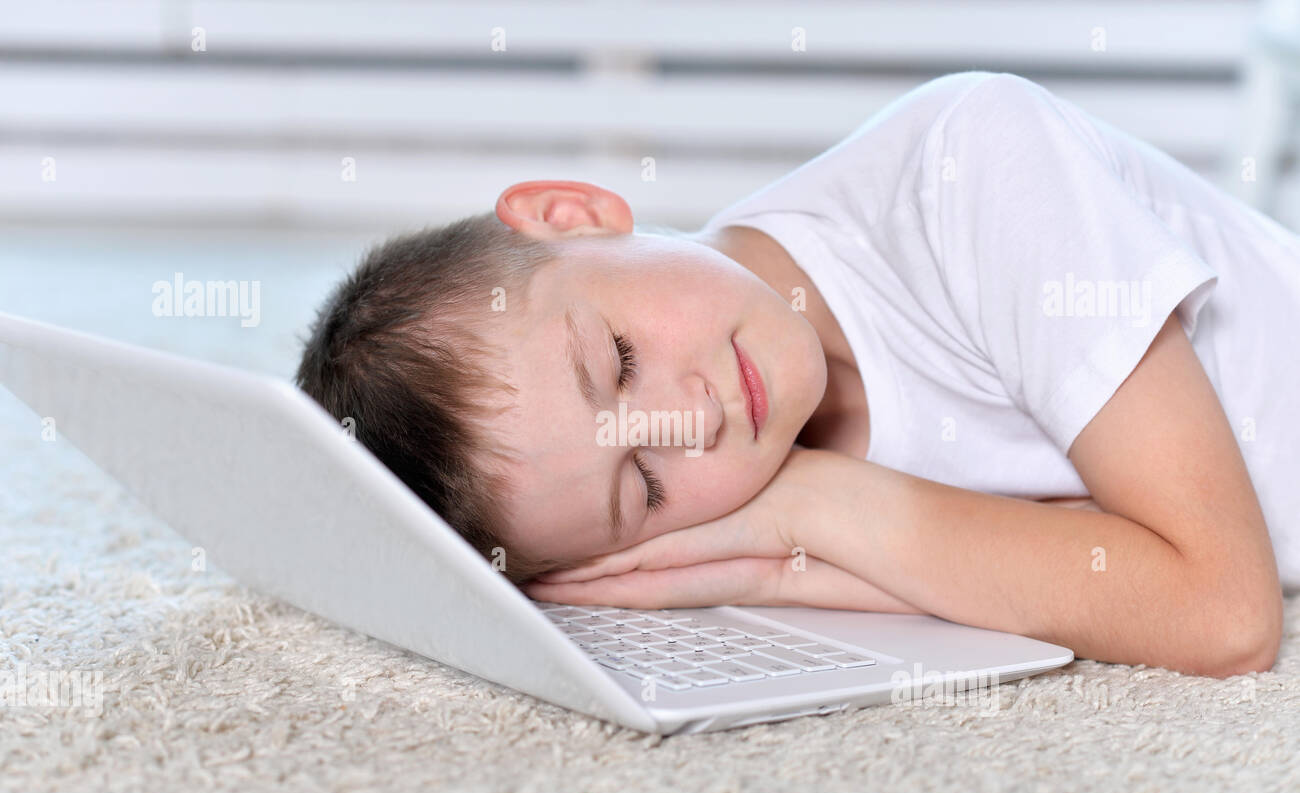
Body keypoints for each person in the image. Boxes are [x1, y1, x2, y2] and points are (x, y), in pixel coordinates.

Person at [296, 71, 1300, 677]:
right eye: (640, 487)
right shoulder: (735, 485)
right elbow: (1083, 569)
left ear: (571, 216)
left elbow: (1221, 613)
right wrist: (774, 566)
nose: (691, 422)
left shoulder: (972, 165)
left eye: (618, 361)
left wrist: (814, 514)